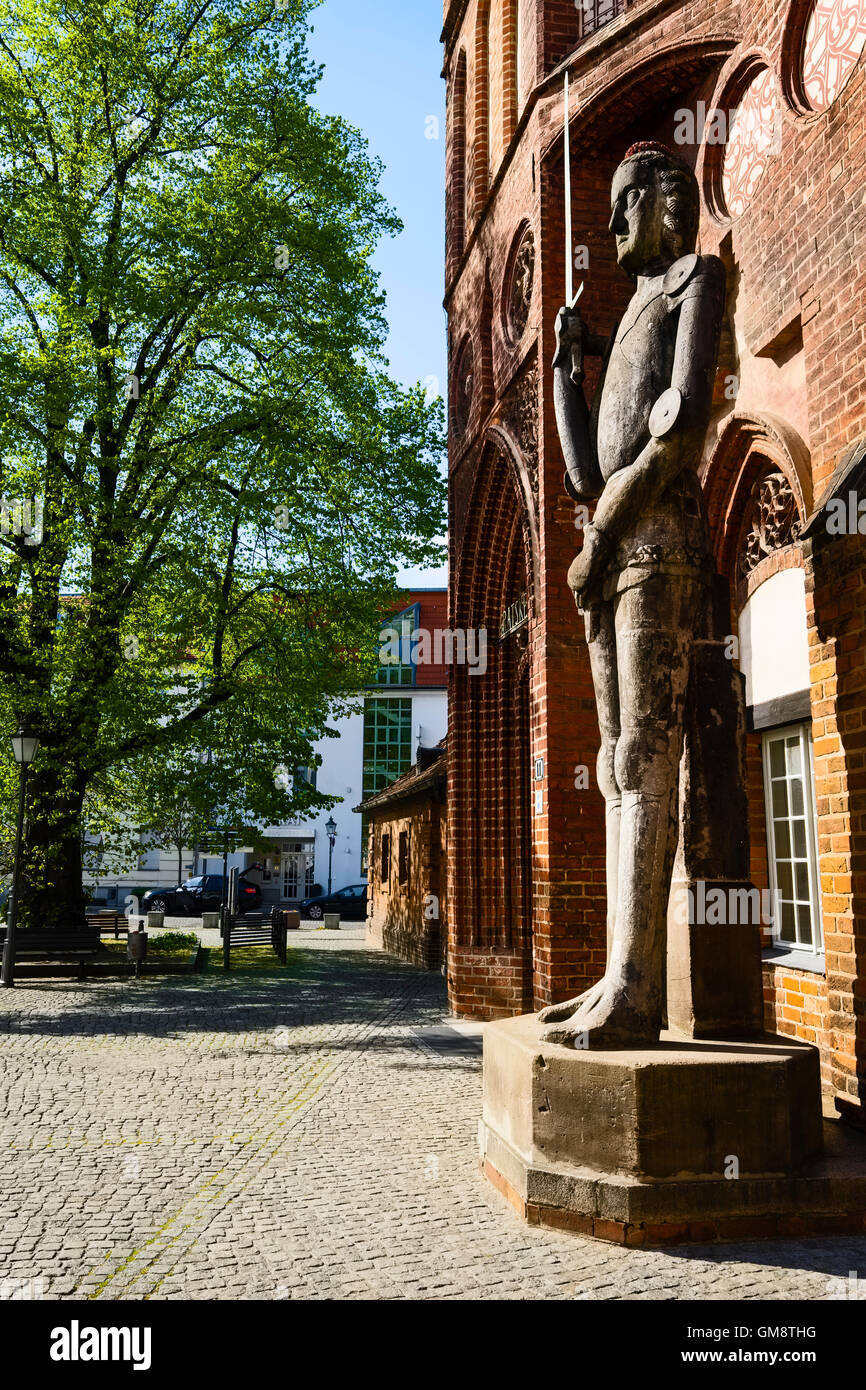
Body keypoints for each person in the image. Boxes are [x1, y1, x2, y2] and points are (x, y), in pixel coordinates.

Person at [541, 141, 725, 1046]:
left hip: (655, 540)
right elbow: (582, 473)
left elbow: (684, 421)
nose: (610, 224)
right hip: (608, 551)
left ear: (664, 200)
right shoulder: (625, 320)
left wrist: (606, 537)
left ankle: (637, 989)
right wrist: (569, 379)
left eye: (623, 203)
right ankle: (618, 975)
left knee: (649, 752)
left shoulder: (696, 278)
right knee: (615, 761)